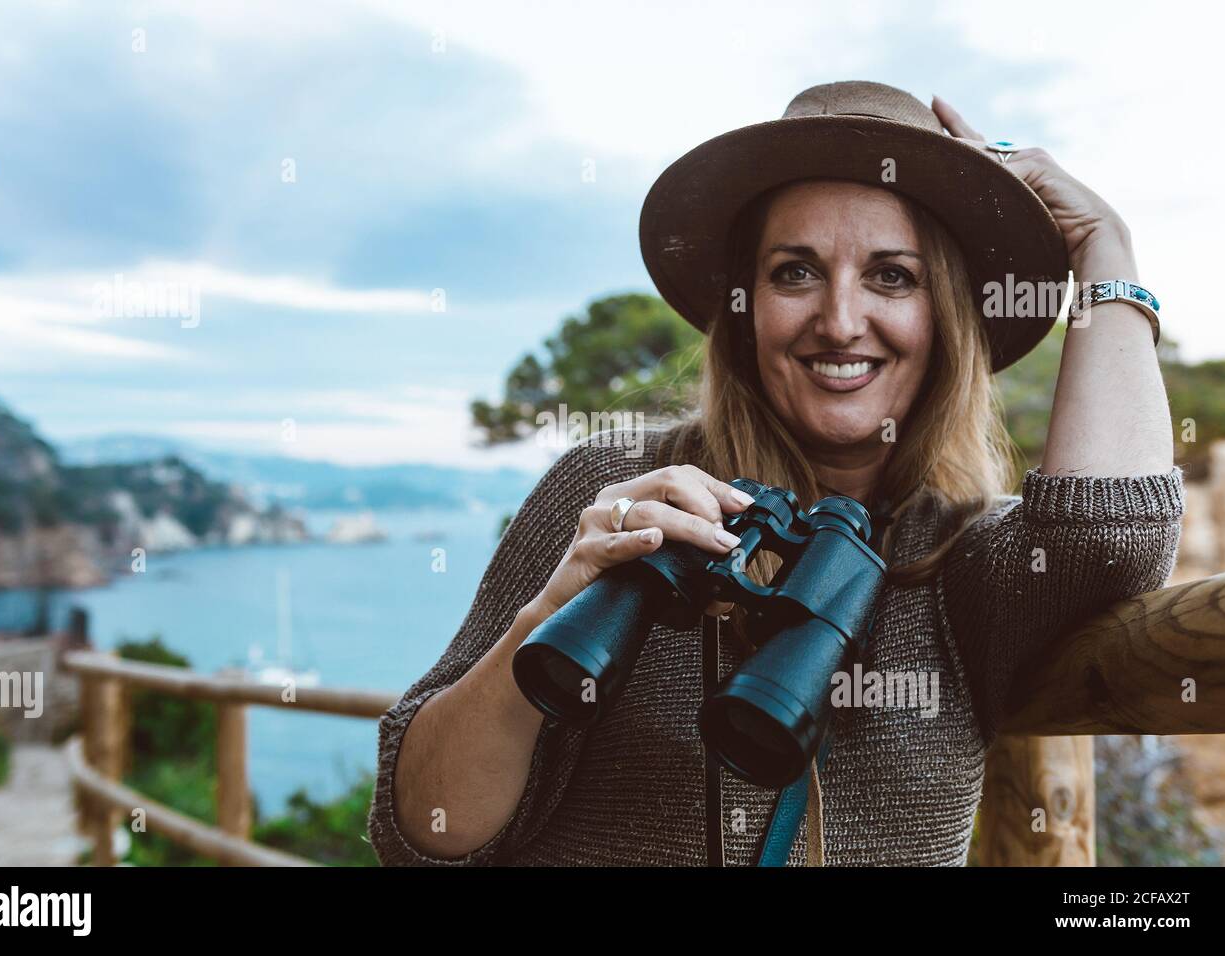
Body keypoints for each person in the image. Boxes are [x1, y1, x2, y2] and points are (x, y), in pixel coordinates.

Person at [368, 81, 1183, 866]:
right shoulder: (615, 482)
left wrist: (1105, 245)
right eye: (794, 271)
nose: (838, 320)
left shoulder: (963, 556)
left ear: (950, 318)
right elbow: (426, 831)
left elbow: (1112, 532)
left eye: (892, 276)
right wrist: (547, 614)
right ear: (745, 305)